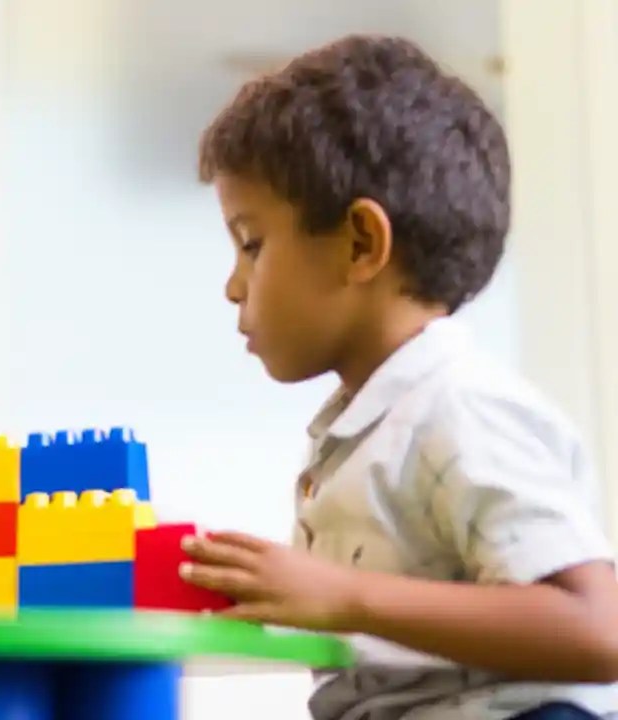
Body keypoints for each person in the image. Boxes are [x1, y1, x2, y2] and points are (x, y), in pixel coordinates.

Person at [179, 35, 618, 720]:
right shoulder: (365, 431)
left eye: (252, 244)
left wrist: (343, 596)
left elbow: (597, 628)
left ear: (361, 243)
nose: (234, 286)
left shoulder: (457, 409)